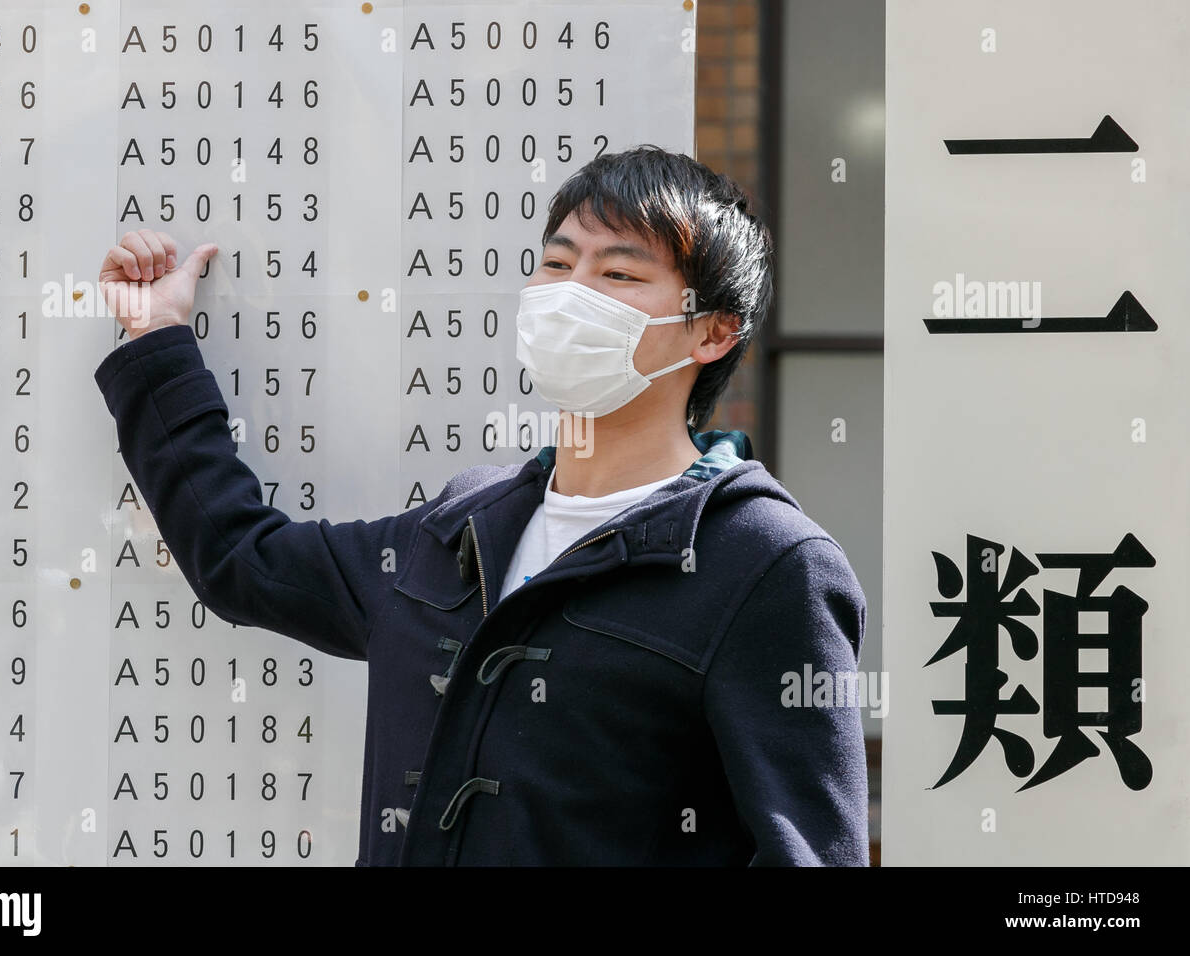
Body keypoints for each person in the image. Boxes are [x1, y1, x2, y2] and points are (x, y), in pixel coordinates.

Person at [93, 144, 870, 866]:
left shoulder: (764, 563)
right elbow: (244, 561)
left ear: (712, 331)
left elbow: (806, 850)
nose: (570, 294)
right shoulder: (463, 528)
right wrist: (157, 341)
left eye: (618, 276)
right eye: (557, 262)